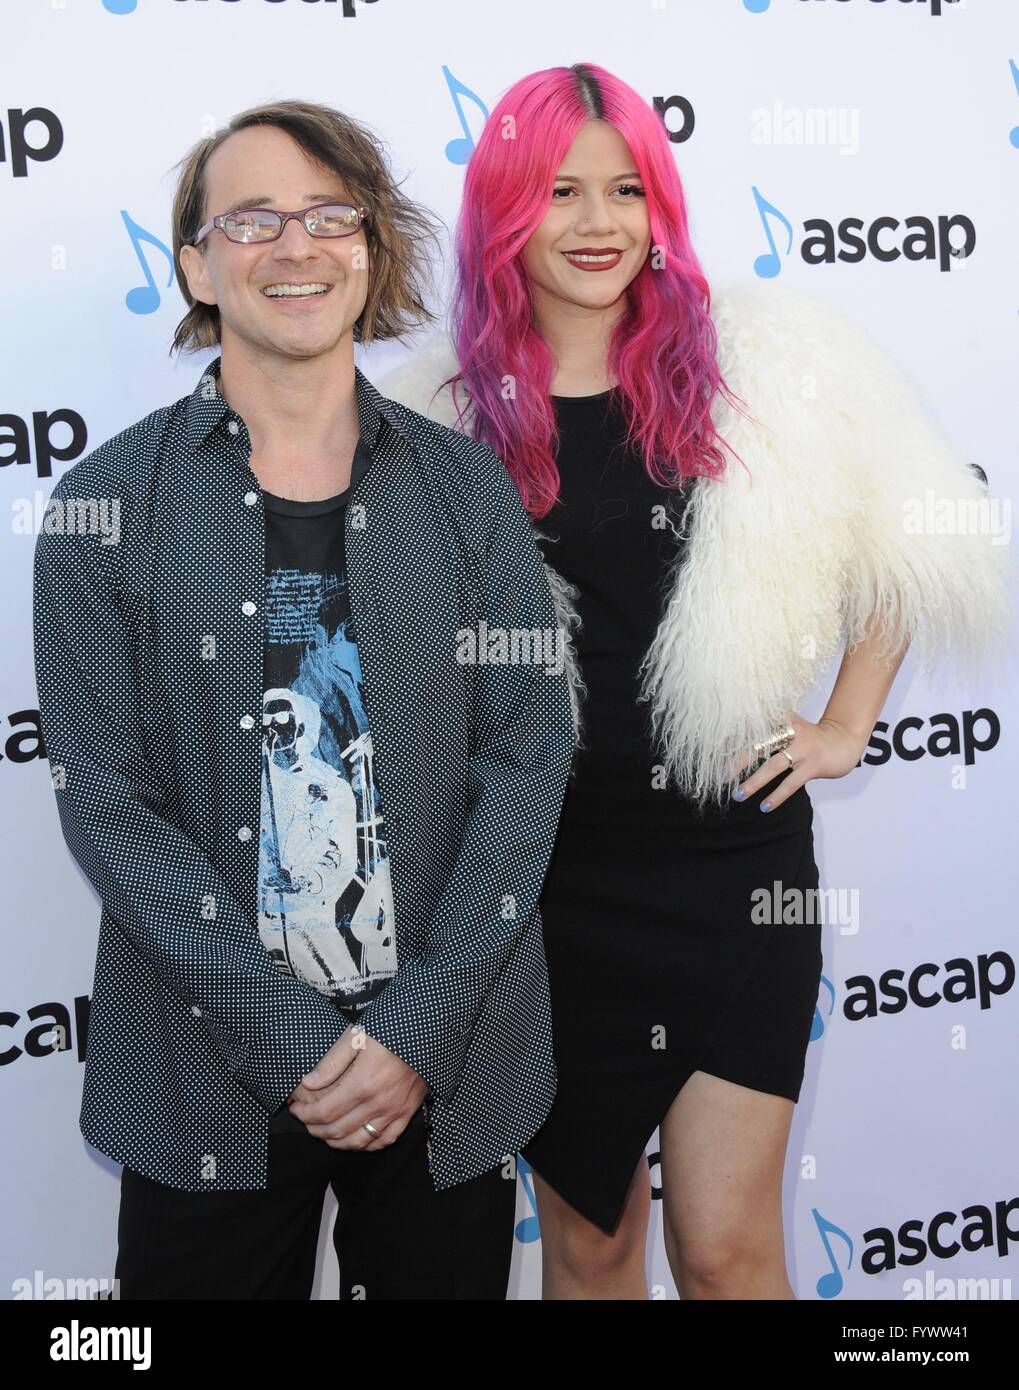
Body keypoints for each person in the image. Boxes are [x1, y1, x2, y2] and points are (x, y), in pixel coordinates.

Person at [379, 62, 1011, 1299]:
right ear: (506, 207)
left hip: (732, 876)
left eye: (626, 189)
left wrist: (842, 725)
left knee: (727, 1255)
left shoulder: (768, 369)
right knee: (591, 1250)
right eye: (560, 190)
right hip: (537, 893)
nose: (598, 222)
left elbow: (915, 540)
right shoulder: (435, 419)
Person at [32, 98, 574, 1300]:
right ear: (195, 262)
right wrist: (297, 1040)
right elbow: (104, 803)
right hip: (196, 1069)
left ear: (369, 251)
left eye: (332, 216)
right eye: (254, 219)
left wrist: (415, 1029)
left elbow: (527, 761)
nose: (297, 247)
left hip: (444, 1066)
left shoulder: (464, 490)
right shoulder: (99, 508)